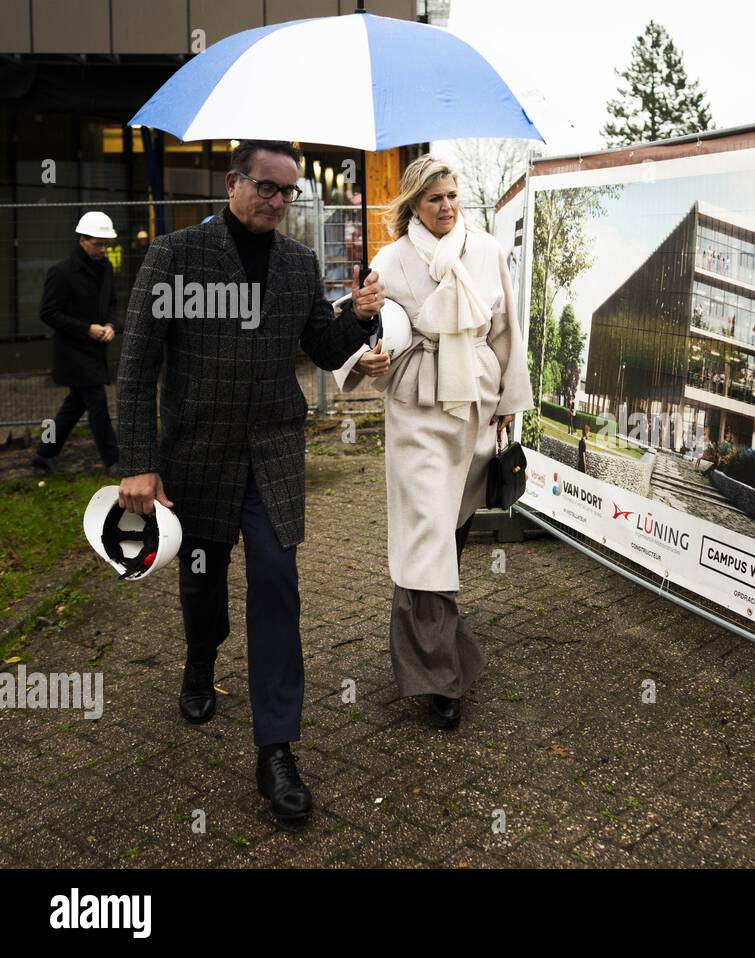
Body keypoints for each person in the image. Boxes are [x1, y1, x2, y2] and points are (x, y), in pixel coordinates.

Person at [115, 141, 385, 822]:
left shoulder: (298, 264)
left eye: (289, 192)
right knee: (202, 582)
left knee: (276, 585)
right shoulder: (176, 257)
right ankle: (201, 657)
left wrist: (358, 315)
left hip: (273, 458)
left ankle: (276, 750)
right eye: (268, 188)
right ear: (234, 183)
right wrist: (139, 463)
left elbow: (321, 349)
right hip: (197, 456)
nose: (279, 201)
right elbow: (137, 364)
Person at [343, 154, 531, 734]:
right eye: (434, 199)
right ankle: (439, 678)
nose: (447, 206)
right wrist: (365, 339)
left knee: (451, 531)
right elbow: (373, 337)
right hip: (417, 406)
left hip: (475, 404)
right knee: (427, 532)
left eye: (452, 196)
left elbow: (505, 334)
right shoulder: (389, 261)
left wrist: (506, 409)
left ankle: (440, 647)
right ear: (413, 206)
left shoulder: (489, 252)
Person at [32, 212, 121, 475]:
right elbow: (48, 312)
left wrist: (110, 325)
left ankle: (43, 455)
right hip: (73, 353)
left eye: (107, 244)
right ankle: (113, 461)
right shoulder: (61, 272)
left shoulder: (105, 267)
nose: (104, 249)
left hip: (94, 350)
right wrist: (87, 329)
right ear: (82, 240)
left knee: (73, 408)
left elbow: (112, 302)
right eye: (98, 243)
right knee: (98, 407)